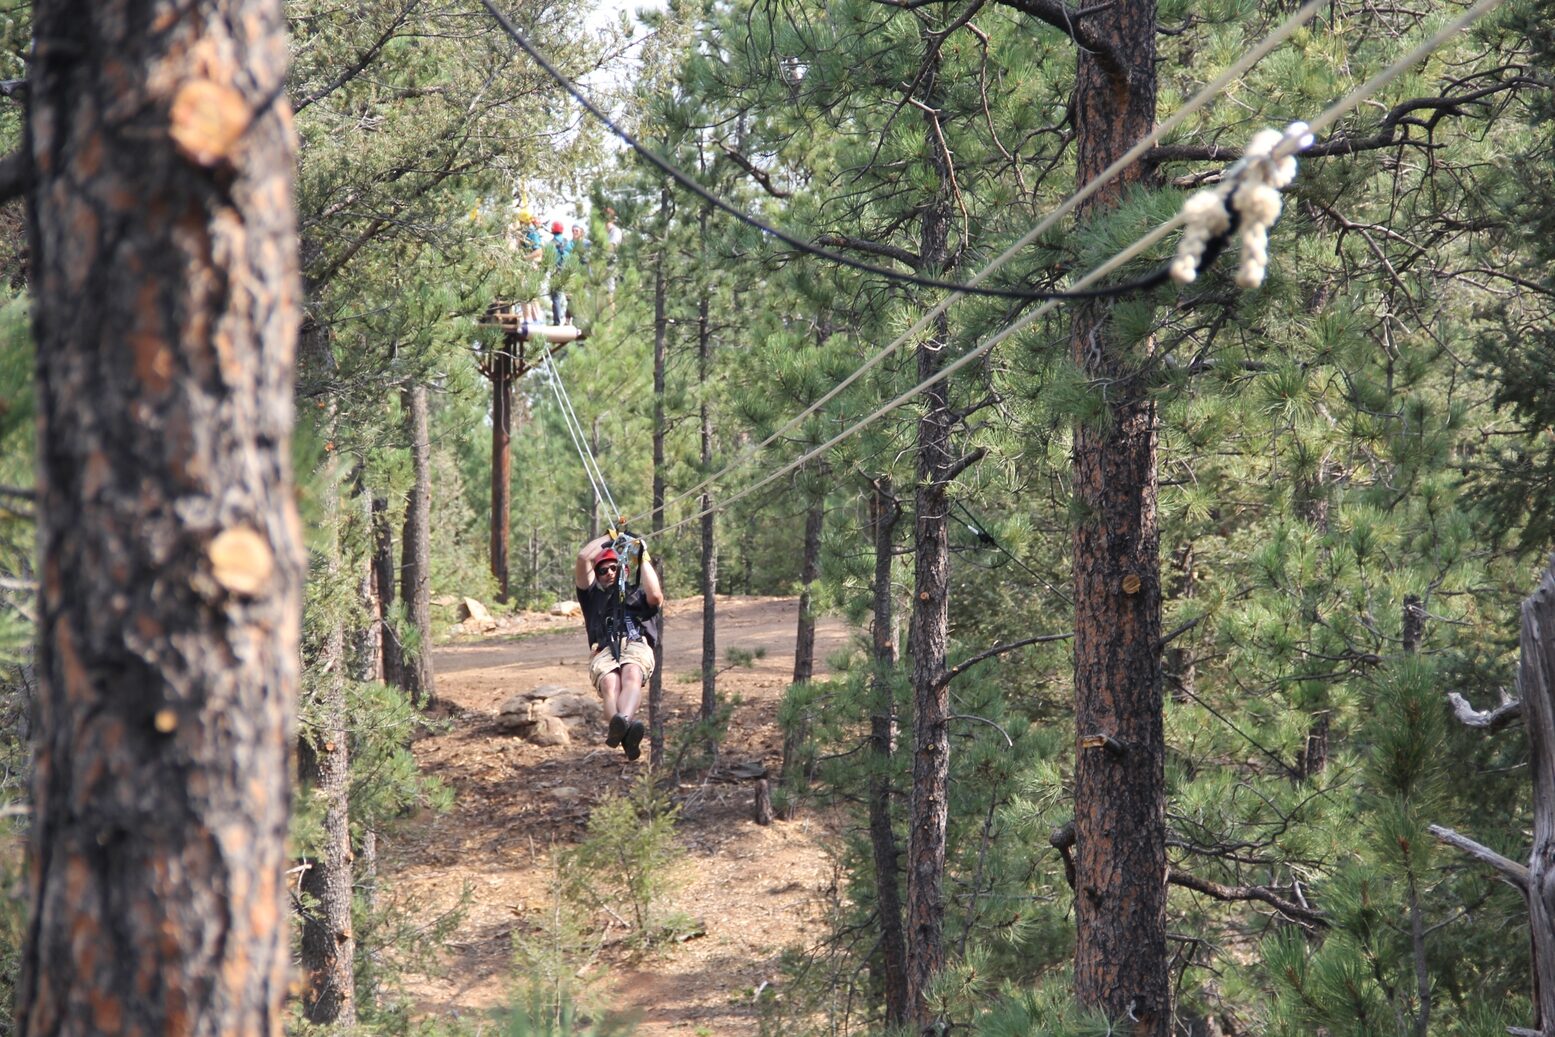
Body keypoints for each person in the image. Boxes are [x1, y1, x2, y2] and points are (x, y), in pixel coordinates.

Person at [575, 534, 663, 760]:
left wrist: (642, 556)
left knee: (631, 674)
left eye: (614, 567)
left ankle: (622, 723)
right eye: (602, 571)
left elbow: (656, 595)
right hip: (604, 648)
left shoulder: (638, 595)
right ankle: (623, 729)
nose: (609, 573)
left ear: (624, 569)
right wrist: (610, 536)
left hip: (635, 642)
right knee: (609, 684)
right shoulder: (592, 598)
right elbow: (584, 557)